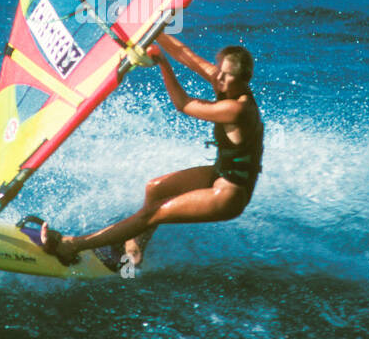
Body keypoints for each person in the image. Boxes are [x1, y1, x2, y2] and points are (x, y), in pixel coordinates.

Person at [42, 32, 262, 267]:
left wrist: (163, 63)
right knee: (155, 189)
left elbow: (184, 104)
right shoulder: (224, 83)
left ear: (243, 80)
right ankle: (134, 252)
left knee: (154, 213)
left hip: (230, 193)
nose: (219, 78)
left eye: (228, 76)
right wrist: (151, 32)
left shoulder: (237, 109)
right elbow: (185, 54)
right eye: (219, 69)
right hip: (219, 172)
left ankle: (71, 245)